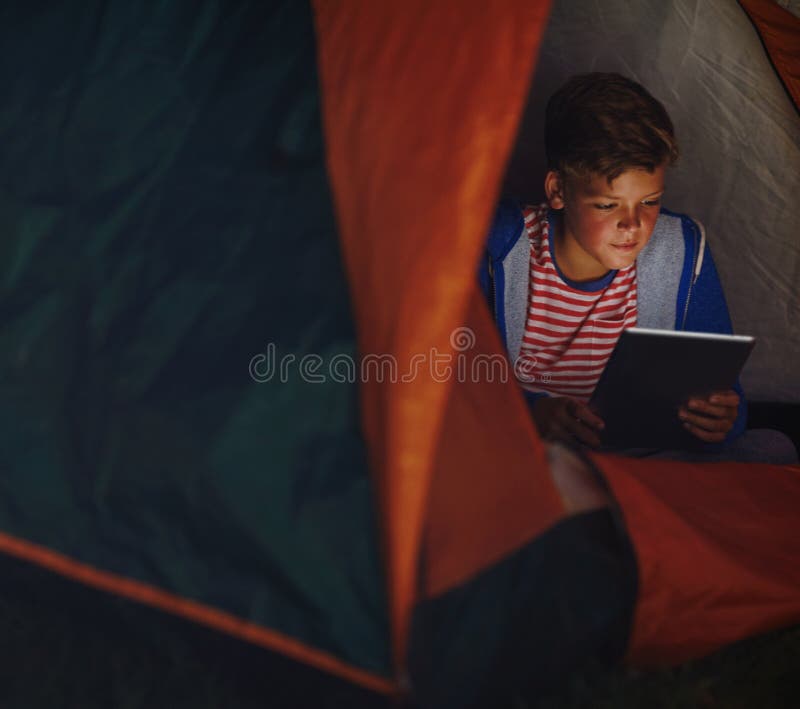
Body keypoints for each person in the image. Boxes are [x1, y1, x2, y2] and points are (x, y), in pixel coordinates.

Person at [479, 72, 797, 463]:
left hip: (644, 461)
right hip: (532, 461)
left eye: (648, 201)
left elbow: (727, 400)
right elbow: (454, 386)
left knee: (773, 448)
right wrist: (531, 414)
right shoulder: (500, 246)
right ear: (558, 190)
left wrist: (722, 419)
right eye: (607, 205)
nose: (632, 225)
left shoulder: (682, 248)